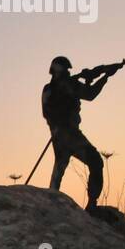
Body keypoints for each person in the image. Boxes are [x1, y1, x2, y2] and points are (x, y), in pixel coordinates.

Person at [42, 55, 106, 210]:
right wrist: (105, 78)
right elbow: (90, 94)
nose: (69, 73)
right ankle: (92, 204)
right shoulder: (68, 85)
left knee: (59, 167)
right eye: (66, 70)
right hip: (70, 134)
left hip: (57, 134)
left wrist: (89, 79)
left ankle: (51, 201)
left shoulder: (48, 89)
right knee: (96, 161)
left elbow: (46, 113)